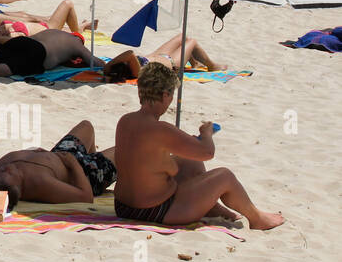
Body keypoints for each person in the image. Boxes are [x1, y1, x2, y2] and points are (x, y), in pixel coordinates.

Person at [112, 61, 283, 228]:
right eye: (171, 95)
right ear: (165, 95)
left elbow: (147, 159)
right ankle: (257, 218)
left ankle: (210, 206)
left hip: (123, 206)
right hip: (153, 210)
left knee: (190, 161)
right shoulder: (161, 129)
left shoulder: (125, 121)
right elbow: (207, 152)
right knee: (225, 176)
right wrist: (206, 134)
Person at [0, 120, 117, 204]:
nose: (5, 169)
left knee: (87, 126)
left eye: (1, 172)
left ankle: (94, 158)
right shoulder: (40, 184)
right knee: (127, 150)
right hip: (83, 173)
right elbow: (85, 197)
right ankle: (100, 169)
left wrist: (35, 154)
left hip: (59, 154)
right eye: (10, 173)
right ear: (19, 186)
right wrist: (73, 164)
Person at [0, 28, 104, 79]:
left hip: (21, 41)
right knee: (4, 69)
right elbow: (94, 61)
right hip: (37, 52)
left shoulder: (54, 32)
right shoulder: (76, 44)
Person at [103, 34, 228, 80]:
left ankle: (195, 63)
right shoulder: (136, 72)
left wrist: (107, 68)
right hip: (173, 64)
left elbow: (129, 55)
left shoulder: (130, 65)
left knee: (183, 36)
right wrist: (108, 66)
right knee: (192, 41)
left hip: (159, 55)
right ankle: (212, 65)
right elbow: (130, 53)